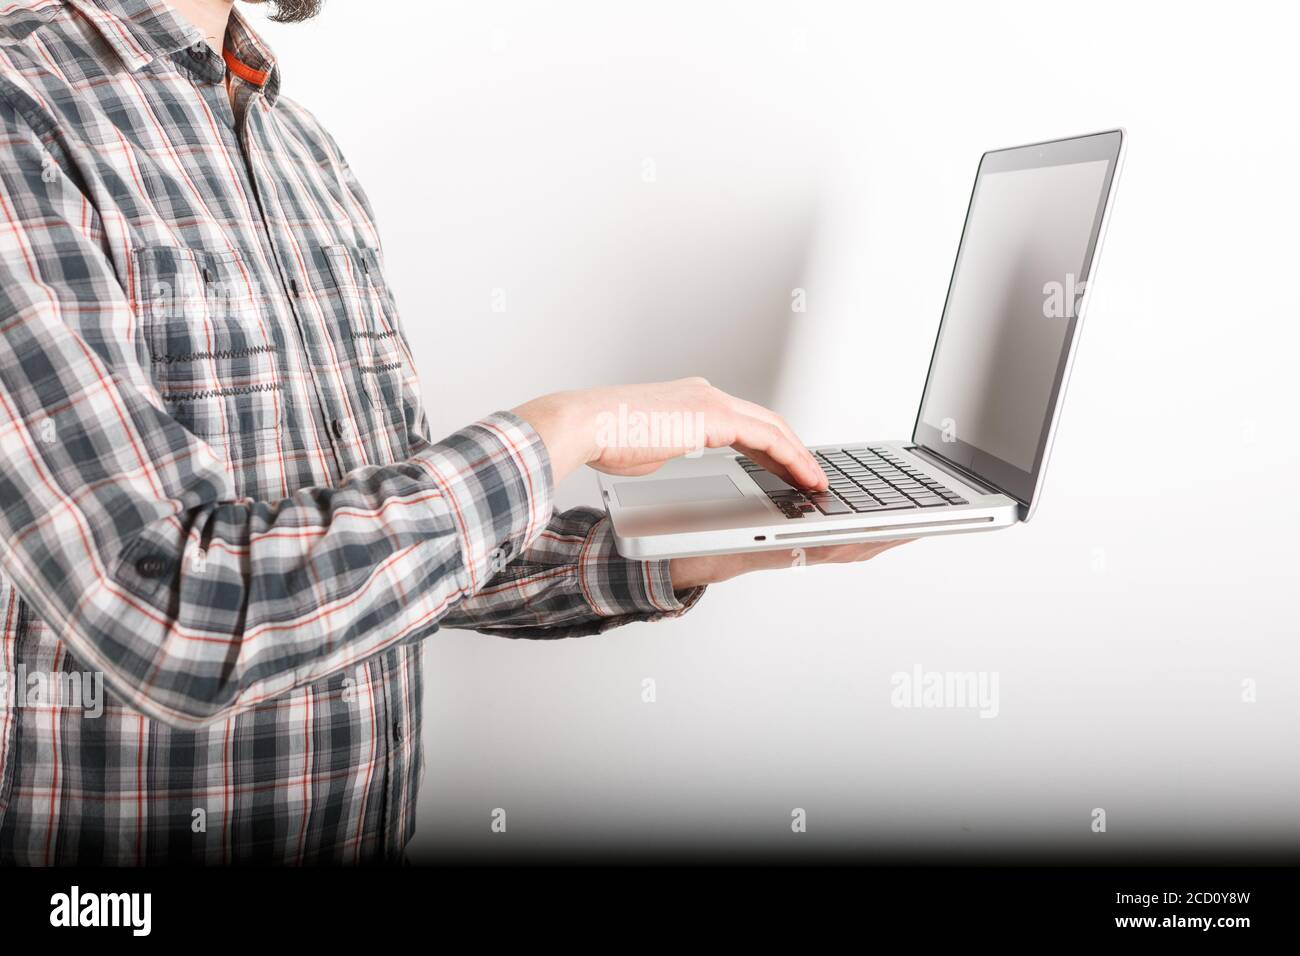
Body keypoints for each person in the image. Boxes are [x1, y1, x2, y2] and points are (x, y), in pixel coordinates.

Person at [0, 0, 906, 864]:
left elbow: (408, 558)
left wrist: (724, 543)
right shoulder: (20, 109)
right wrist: (568, 427)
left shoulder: (303, 151)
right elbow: (167, 613)